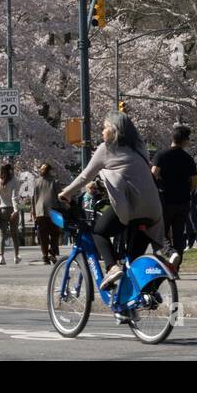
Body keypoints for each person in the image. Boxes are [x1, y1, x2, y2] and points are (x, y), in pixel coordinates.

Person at [58, 112, 167, 291]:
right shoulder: (139, 148)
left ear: (114, 130)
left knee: (99, 232)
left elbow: (86, 176)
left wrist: (66, 192)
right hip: (153, 210)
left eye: (105, 127)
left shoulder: (106, 149)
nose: (102, 132)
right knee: (134, 260)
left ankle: (111, 267)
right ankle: (137, 299)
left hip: (131, 208)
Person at [152, 122, 197, 264]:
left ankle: (164, 261)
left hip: (165, 200)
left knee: (161, 233)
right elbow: (194, 183)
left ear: (172, 138)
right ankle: (176, 267)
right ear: (185, 141)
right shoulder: (188, 159)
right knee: (179, 234)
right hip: (183, 201)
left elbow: (153, 174)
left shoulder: (161, 155)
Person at [0, 163, 22, 265]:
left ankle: (1, 257)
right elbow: (14, 197)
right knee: (14, 234)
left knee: (2, 234)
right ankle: (16, 256)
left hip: (1, 209)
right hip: (12, 209)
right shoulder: (14, 181)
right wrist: (16, 210)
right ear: (11, 170)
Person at [31, 163, 60, 265]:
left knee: (43, 236)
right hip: (54, 211)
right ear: (50, 171)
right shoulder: (55, 182)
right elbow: (60, 197)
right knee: (55, 233)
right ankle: (52, 252)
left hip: (40, 212)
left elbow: (33, 198)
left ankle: (45, 256)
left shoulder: (36, 182)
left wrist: (33, 212)